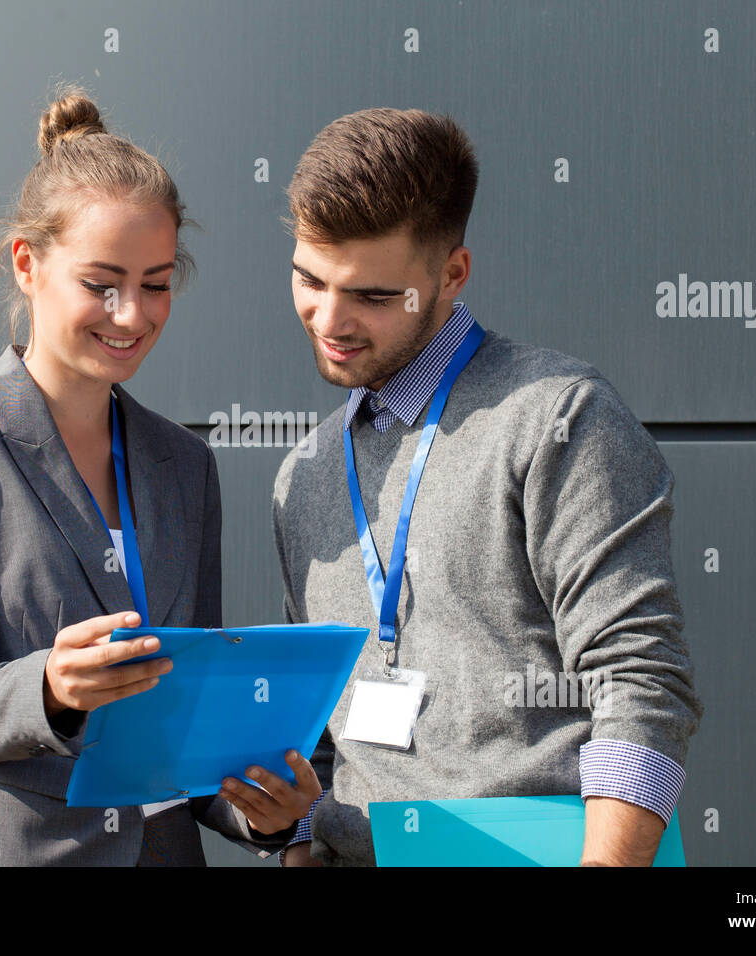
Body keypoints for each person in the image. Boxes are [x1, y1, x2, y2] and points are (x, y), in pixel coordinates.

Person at [0, 87, 318, 865]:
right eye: (102, 283)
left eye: (156, 282)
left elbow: (185, 722)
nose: (132, 314)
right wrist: (51, 684)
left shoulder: (185, 466)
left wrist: (265, 814)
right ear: (27, 264)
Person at [271, 108, 703, 866]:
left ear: (452, 275)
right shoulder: (302, 475)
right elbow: (320, 743)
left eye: (372, 295)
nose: (329, 318)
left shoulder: (560, 418)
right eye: (310, 278)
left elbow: (639, 679)